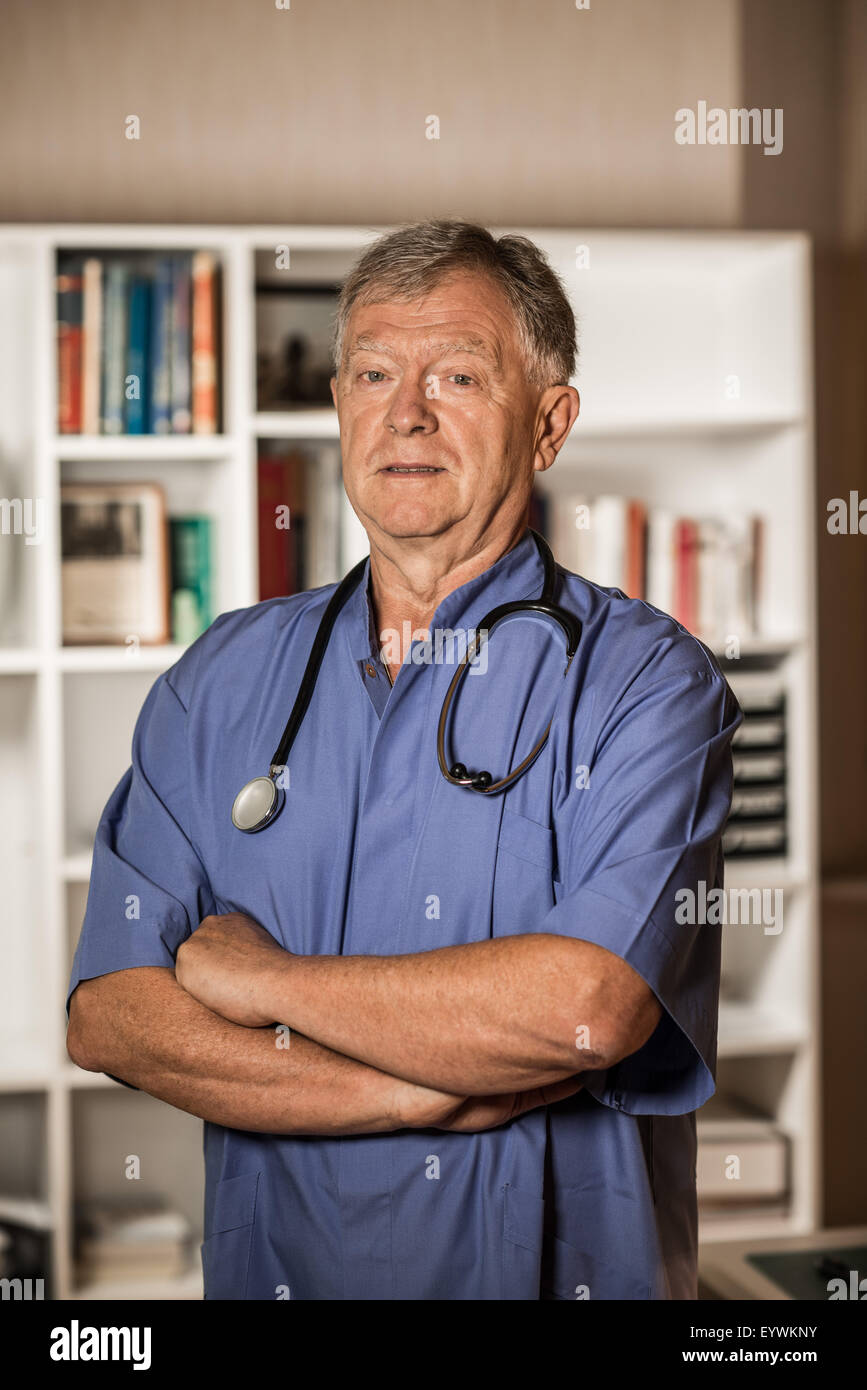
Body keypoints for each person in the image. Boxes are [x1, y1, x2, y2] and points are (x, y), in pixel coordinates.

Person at [66, 219, 741, 1300]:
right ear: (339, 406)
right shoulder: (222, 679)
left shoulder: (651, 684)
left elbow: (590, 1006)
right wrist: (414, 1094)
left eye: (460, 375)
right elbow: (112, 1012)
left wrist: (266, 981)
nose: (408, 410)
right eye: (375, 371)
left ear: (549, 425)